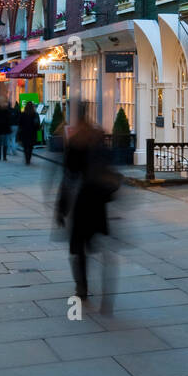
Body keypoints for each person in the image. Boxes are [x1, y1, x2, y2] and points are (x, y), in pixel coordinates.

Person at [56, 104, 118, 299]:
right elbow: (109, 164)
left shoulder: (75, 141)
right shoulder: (99, 136)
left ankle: (81, 287)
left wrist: (61, 208)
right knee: (95, 241)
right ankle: (104, 282)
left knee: (78, 247)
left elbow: (68, 176)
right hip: (98, 199)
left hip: (82, 200)